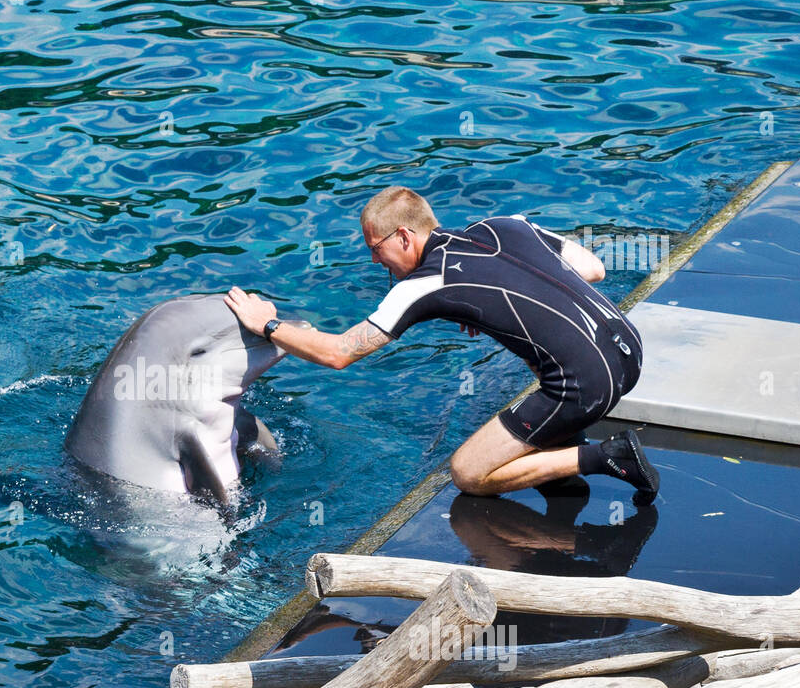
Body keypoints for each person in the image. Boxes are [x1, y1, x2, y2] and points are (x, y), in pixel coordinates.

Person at [222, 186, 659, 504]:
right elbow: (595, 269)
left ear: (404, 238)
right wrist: (490, 305)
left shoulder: (424, 283)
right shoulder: (504, 225)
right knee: (547, 358)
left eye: (376, 249)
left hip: (587, 385)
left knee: (468, 473)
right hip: (630, 348)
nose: (376, 261)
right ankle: (560, 449)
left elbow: (339, 353)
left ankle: (604, 456)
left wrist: (269, 324)